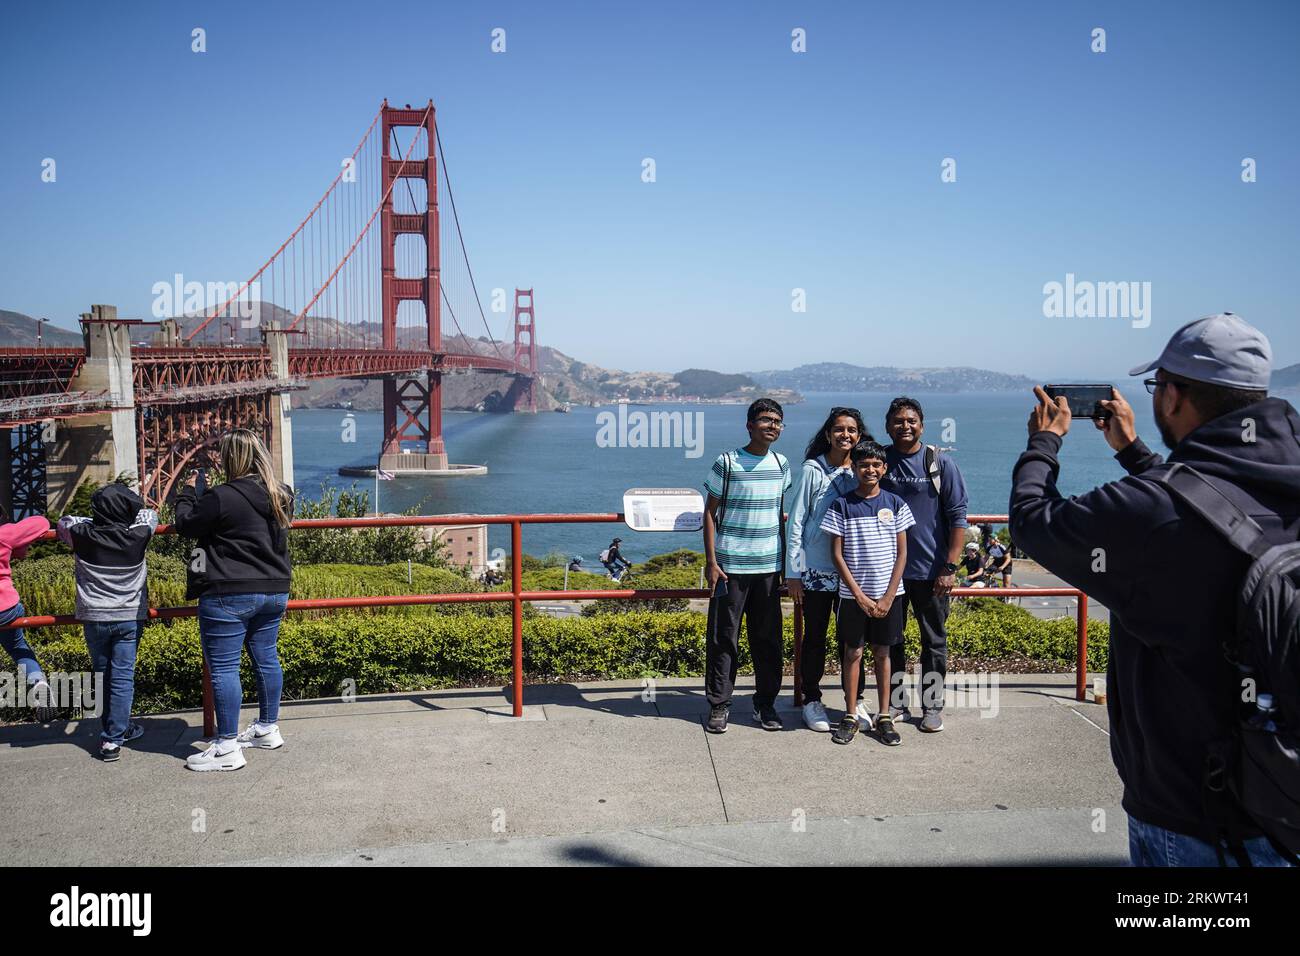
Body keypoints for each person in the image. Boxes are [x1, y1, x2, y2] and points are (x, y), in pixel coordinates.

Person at [1010, 313, 1298, 867]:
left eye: (1157, 385)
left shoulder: (1149, 511)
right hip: (1286, 790)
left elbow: (1031, 521)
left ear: (1172, 396)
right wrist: (1135, 454)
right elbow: (1213, 507)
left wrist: (1044, 442)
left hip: (1192, 814)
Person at [174, 430, 294, 772]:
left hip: (229, 591)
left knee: (225, 668)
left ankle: (226, 746)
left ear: (230, 459)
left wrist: (187, 493)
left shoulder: (220, 496)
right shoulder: (282, 494)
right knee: (266, 658)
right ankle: (267, 728)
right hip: (275, 590)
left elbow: (186, 525)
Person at [702, 398, 792, 733]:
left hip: (769, 568)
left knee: (768, 640)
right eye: (766, 420)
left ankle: (765, 705)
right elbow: (708, 514)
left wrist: (785, 564)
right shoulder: (727, 462)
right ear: (749, 425)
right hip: (730, 567)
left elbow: (778, 515)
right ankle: (719, 704)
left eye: (778, 421)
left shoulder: (782, 465)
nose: (773, 426)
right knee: (724, 638)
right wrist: (712, 562)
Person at [879, 397, 969, 732]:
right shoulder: (880, 461)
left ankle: (932, 707)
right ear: (888, 426)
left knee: (934, 642)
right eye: (898, 421)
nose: (905, 426)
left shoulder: (939, 464)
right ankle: (897, 703)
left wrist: (950, 567)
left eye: (911, 421)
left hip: (932, 572)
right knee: (893, 640)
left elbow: (958, 517)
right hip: (890, 573)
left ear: (922, 424)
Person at [821, 441, 915, 746]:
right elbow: (837, 555)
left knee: (883, 652)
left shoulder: (896, 503)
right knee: (853, 652)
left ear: (884, 468)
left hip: (890, 595)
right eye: (864, 465)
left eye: (876, 465)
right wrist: (858, 595)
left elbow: (902, 554)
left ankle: (884, 715)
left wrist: (888, 597)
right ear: (854, 468)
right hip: (852, 597)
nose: (870, 470)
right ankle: (850, 715)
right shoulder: (842, 504)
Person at [56, 483, 158, 761]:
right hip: (128, 616)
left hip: (94, 617)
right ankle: (114, 737)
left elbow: (64, 522)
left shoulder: (82, 534)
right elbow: (150, 515)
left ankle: (110, 732)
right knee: (123, 677)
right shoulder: (137, 535)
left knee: (103, 675)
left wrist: (95, 521)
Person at [785, 407, 868, 732]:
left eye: (851, 430)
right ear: (828, 433)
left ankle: (855, 699)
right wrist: (793, 571)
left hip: (854, 572)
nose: (845, 435)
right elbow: (796, 522)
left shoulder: (862, 470)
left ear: (859, 435)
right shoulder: (813, 470)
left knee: (853, 639)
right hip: (817, 570)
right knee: (815, 638)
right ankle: (812, 700)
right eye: (839, 429)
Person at [0, 513, 55, 721]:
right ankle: (38, 683)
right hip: (5, 609)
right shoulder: (4, 534)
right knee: (17, 648)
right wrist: (15, 541)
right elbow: (42, 522)